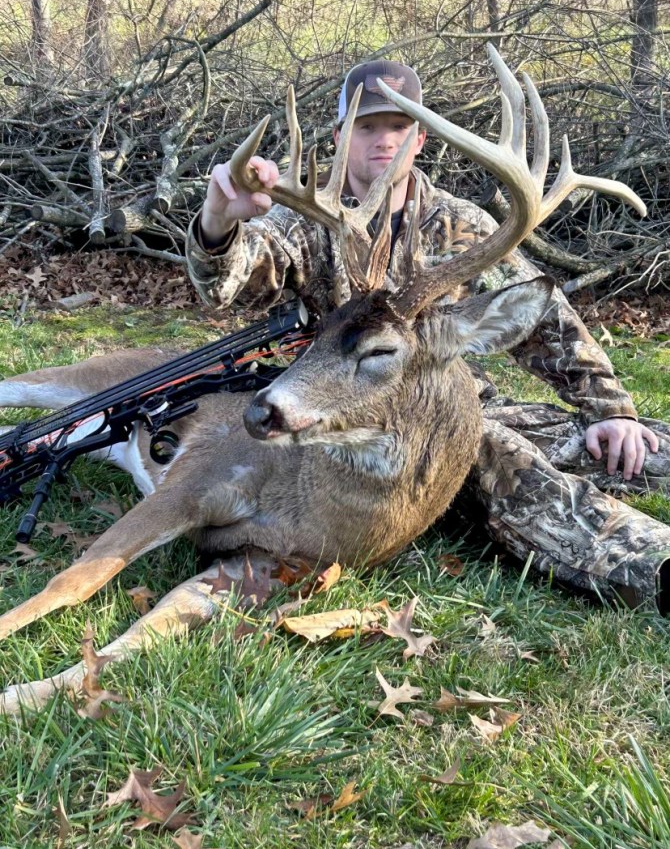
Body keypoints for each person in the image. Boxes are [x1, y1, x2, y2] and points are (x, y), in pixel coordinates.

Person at [185, 58, 670, 611]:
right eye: (367, 127)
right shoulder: (309, 218)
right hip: (365, 421)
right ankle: (650, 565)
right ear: (342, 136)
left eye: (399, 127)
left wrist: (611, 410)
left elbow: (540, 318)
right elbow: (231, 284)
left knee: (635, 449)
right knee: (506, 461)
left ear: (420, 139)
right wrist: (220, 224)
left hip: (462, 401)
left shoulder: (461, 225)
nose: (383, 141)